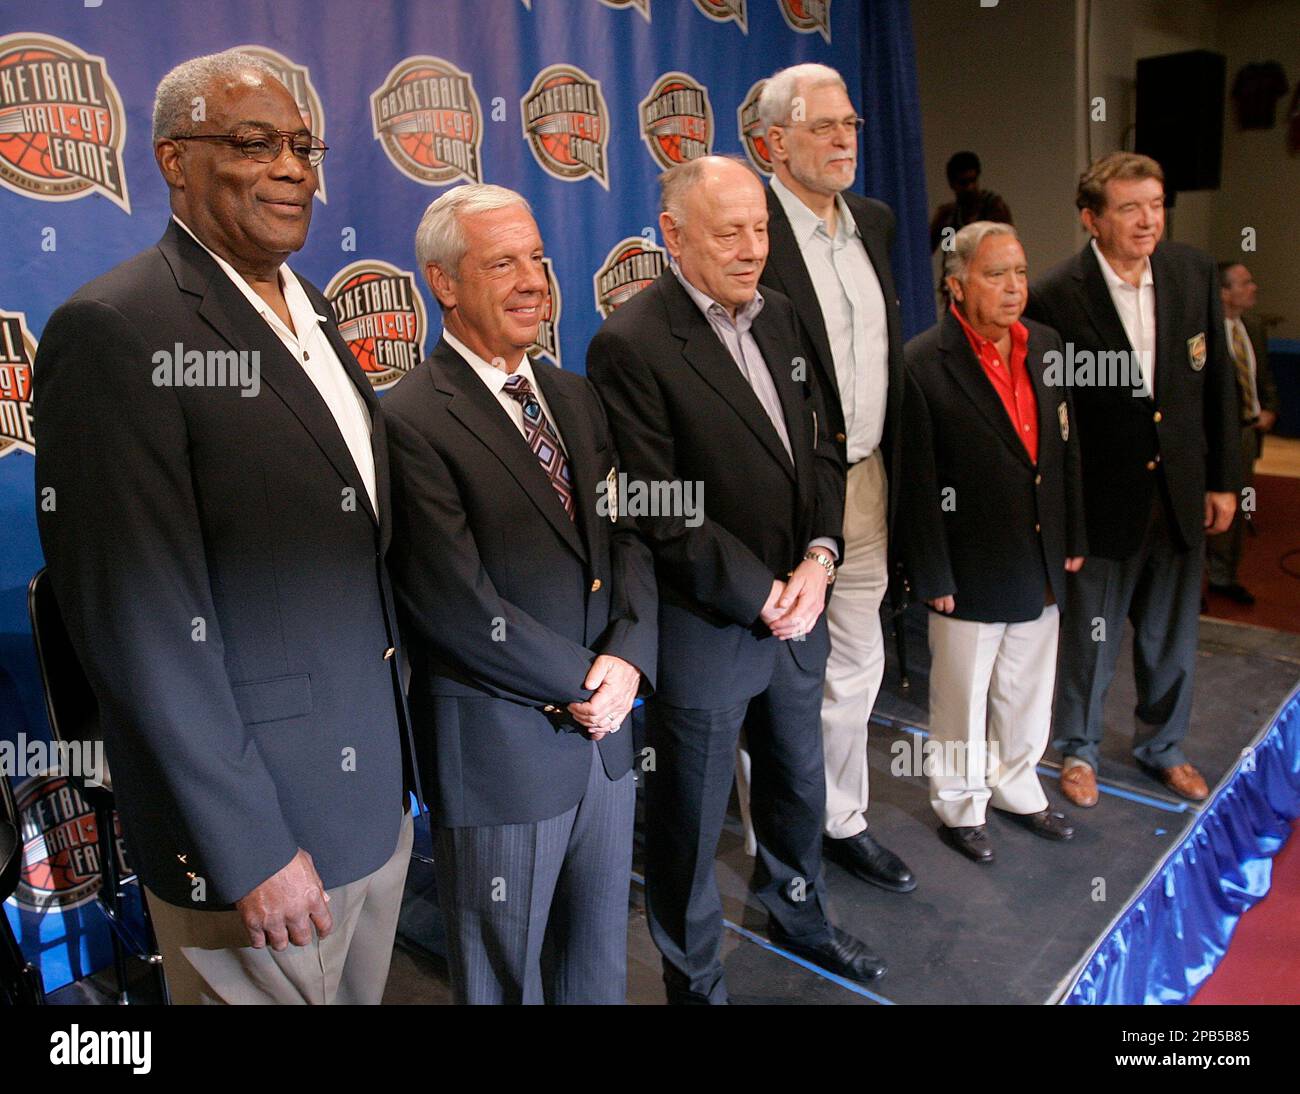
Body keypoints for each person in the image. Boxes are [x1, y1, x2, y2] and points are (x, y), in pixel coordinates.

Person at [33, 51, 415, 1004]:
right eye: (254, 144)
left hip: (371, 808)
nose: (293, 167)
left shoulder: (313, 307)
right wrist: (244, 849)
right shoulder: (115, 329)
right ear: (173, 158)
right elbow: (140, 623)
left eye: (303, 145)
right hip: (256, 845)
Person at [588, 155, 883, 1006]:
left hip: (802, 611)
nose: (753, 247)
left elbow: (823, 450)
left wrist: (821, 559)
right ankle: (695, 981)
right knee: (689, 820)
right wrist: (763, 593)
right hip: (709, 630)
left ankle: (804, 920)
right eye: (730, 232)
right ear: (673, 237)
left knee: (796, 791)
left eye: (759, 227)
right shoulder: (631, 342)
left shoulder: (785, 318)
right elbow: (655, 501)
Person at [382, 185, 657, 1005]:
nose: (533, 279)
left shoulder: (572, 396)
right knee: (502, 979)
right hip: (502, 758)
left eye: (535, 257)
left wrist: (630, 659)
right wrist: (588, 684)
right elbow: (454, 603)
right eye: (502, 262)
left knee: (597, 968)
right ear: (443, 281)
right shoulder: (409, 418)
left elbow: (631, 533)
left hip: (604, 747)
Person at [1025, 153, 1241, 808]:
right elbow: (1053, 418)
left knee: (1170, 636)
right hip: (1102, 503)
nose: (1149, 220)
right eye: (1130, 207)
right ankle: (1079, 750)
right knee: (1092, 634)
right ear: (1092, 219)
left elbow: (1218, 385)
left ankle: (1162, 747)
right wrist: (1059, 512)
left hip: (1179, 492)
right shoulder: (1057, 293)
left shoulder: (1191, 272)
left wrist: (1225, 479)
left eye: (1156, 203)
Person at [752, 62, 914, 895]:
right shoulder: (750, 231)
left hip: (867, 481)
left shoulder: (876, 223)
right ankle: (774, 836)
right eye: (824, 126)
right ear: (775, 142)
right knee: (781, 676)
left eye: (851, 124)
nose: (846, 139)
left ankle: (840, 817)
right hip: (781, 496)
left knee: (857, 660)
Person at [900, 222, 1085, 862]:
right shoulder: (922, 362)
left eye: (1021, 273)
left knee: (1029, 687)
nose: (1014, 288)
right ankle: (959, 802)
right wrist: (930, 572)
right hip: (966, 568)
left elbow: (1065, 450)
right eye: (995, 274)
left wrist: (1074, 533)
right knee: (960, 695)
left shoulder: (1049, 345)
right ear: (956, 284)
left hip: (1041, 555)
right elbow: (916, 481)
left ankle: (1017, 784)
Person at [1207, 262, 1279, 605]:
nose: (1254, 288)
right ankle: (1195, 583)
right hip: (1217, 436)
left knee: (1236, 509)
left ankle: (1224, 576)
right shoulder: (1204, 333)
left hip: (1249, 434)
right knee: (1208, 508)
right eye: (1245, 283)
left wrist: (1269, 408)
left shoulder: (1252, 326)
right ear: (1224, 292)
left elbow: (1263, 378)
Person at [929, 151, 1013, 254]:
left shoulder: (994, 207)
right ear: (952, 184)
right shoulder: (947, 216)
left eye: (973, 180)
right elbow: (926, 251)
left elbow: (1009, 247)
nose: (970, 188)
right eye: (963, 183)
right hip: (956, 268)